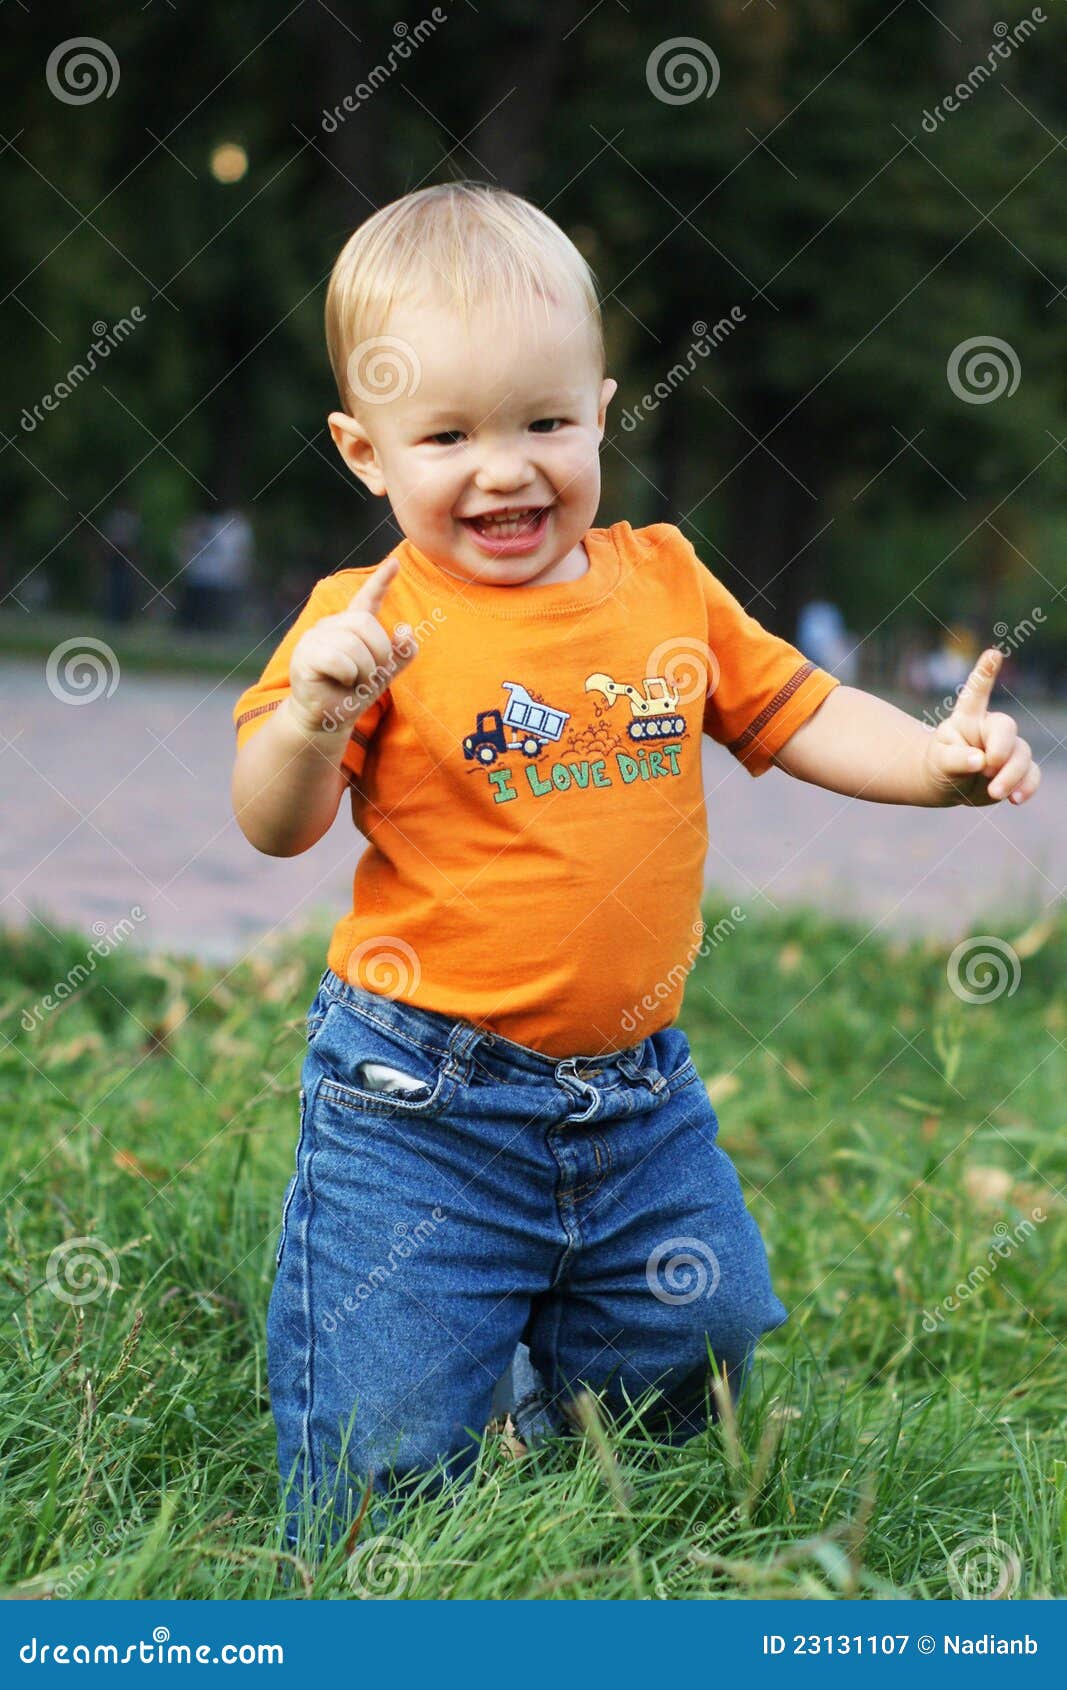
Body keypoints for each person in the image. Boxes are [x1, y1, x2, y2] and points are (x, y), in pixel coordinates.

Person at [230, 182, 1041, 1554]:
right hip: (417, 1101)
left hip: (638, 1097)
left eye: (546, 422)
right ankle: (431, 1405)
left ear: (600, 407)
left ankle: (566, 1407)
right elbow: (273, 820)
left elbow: (803, 709)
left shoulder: (664, 581)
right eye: (448, 436)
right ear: (366, 452)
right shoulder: (362, 624)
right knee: (380, 1471)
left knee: (696, 1327)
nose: (507, 469)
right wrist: (313, 713)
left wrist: (937, 763)